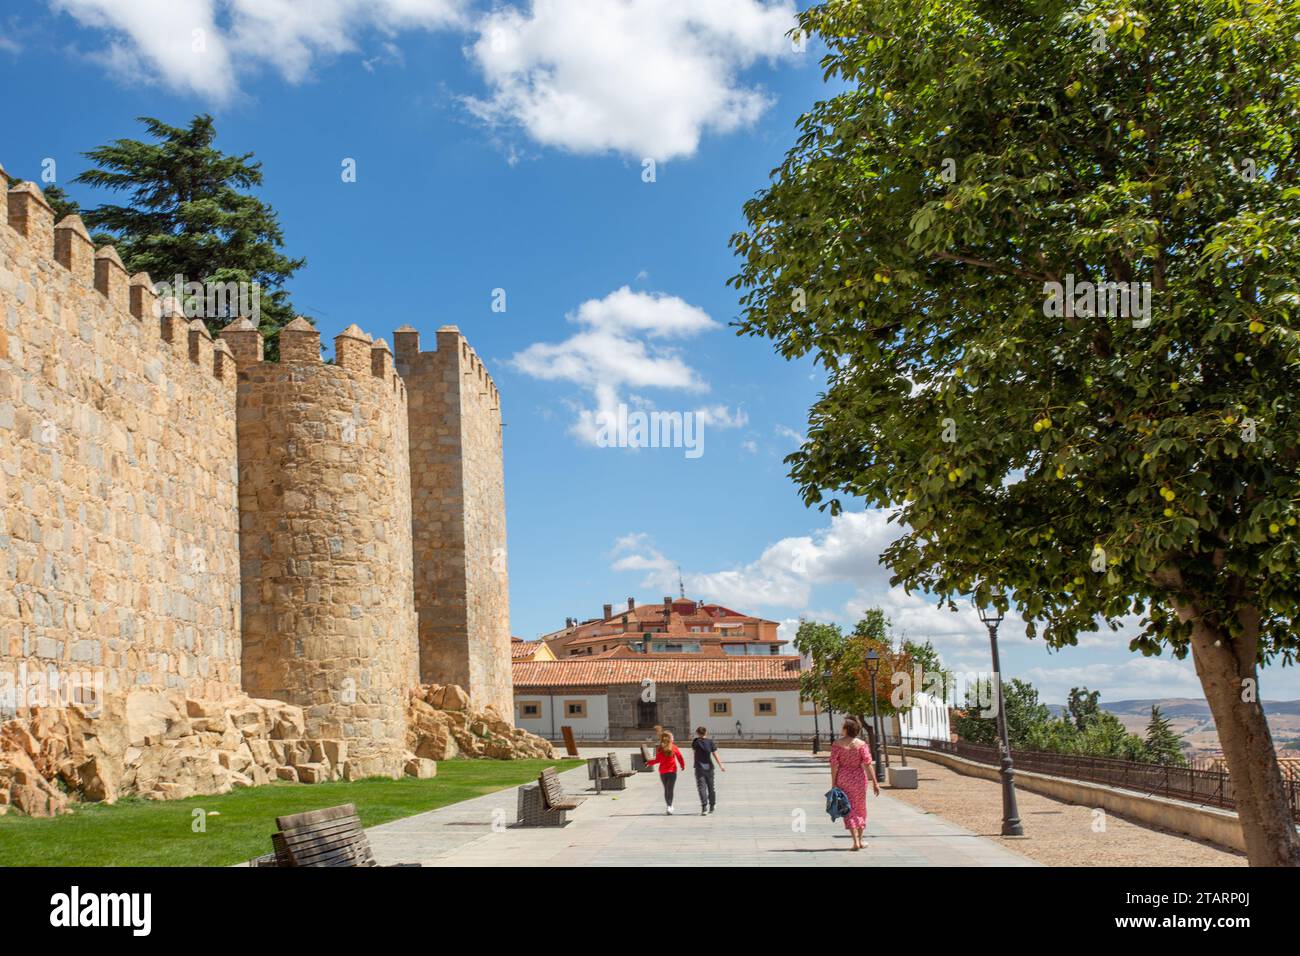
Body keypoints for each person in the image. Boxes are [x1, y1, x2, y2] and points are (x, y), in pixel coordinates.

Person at [829, 716, 879, 850]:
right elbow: (868, 764)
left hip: (843, 778)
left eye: (843, 727)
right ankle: (861, 840)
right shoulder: (862, 744)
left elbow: (834, 765)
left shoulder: (837, 744)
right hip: (859, 778)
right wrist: (875, 782)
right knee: (860, 808)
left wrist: (833, 783)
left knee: (847, 809)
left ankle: (855, 841)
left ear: (847, 729)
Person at [644, 730, 686, 814]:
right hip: (672, 772)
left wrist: (649, 763)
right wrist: (682, 765)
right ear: (670, 739)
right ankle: (669, 806)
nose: (673, 738)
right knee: (670, 789)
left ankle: (669, 805)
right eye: (672, 737)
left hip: (663, 772)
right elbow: (680, 756)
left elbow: (657, 760)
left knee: (666, 789)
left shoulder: (660, 748)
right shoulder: (674, 747)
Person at [691, 726, 726, 815]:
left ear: (697, 733)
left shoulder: (695, 742)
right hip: (709, 767)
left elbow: (694, 752)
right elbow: (715, 754)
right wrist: (721, 765)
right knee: (711, 787)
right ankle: (712, 805)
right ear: (706, 732)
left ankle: (704, 807)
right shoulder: (710, 742)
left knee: (701, 787)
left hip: (699, 767)